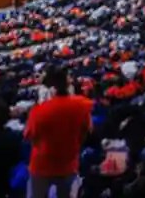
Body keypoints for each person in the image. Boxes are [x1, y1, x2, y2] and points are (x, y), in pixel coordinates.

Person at [24, 67, 91, 198]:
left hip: (41, 165)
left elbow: (30, 136)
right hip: (69, 163)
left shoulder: (39, 111)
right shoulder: (83, 106)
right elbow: (87, 131)